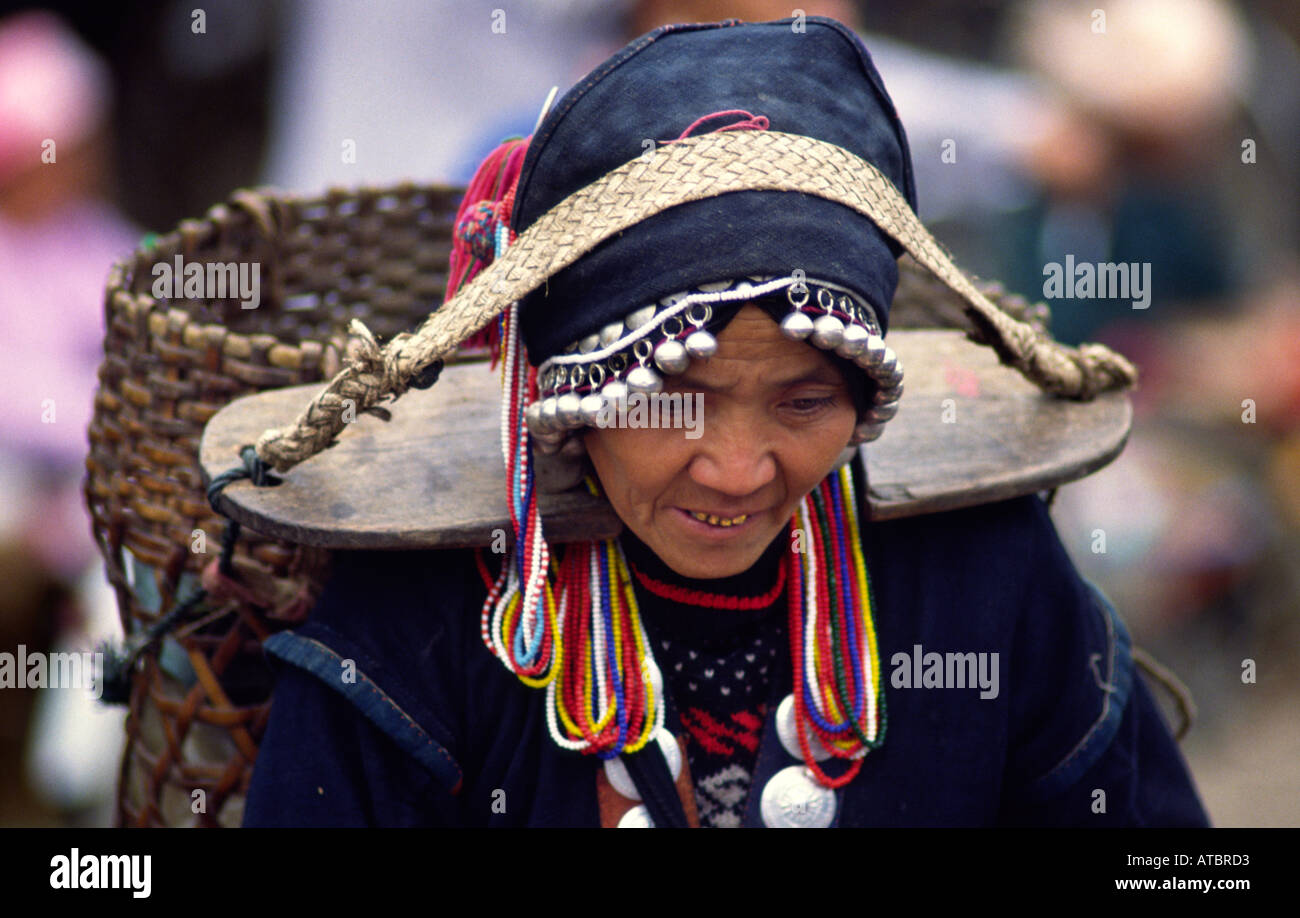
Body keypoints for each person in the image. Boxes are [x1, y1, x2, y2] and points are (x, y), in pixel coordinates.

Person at [242, 16, 1208, 828]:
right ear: (569, 389)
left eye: (806, 401)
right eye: (673, 397)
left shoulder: (987, 577)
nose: (740, 470)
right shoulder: (424, 620)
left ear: (867, 393)